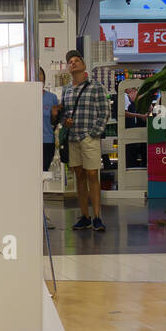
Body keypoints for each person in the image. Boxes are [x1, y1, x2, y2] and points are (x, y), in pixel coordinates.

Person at [60, 51, 109, 232]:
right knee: (79, 176)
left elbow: (105, 112)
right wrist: (65, 121)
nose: (73, 64)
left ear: (84, 65)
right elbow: (64, 114)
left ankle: (97, 216)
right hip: (73, 138)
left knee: (92, 175)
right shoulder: (66, 90)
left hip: (89, 138)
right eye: (70, 62)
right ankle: (85, 216)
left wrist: (94, 133)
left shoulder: (96, 87)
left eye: (77, 61)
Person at [41, 66, 60, 170]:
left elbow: (55, 123)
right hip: (28, 141)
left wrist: (55, 115)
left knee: (43, 172)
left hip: (47, 141)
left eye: (40, 74)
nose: (38, 77)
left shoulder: (51, 97)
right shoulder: (24, 97)